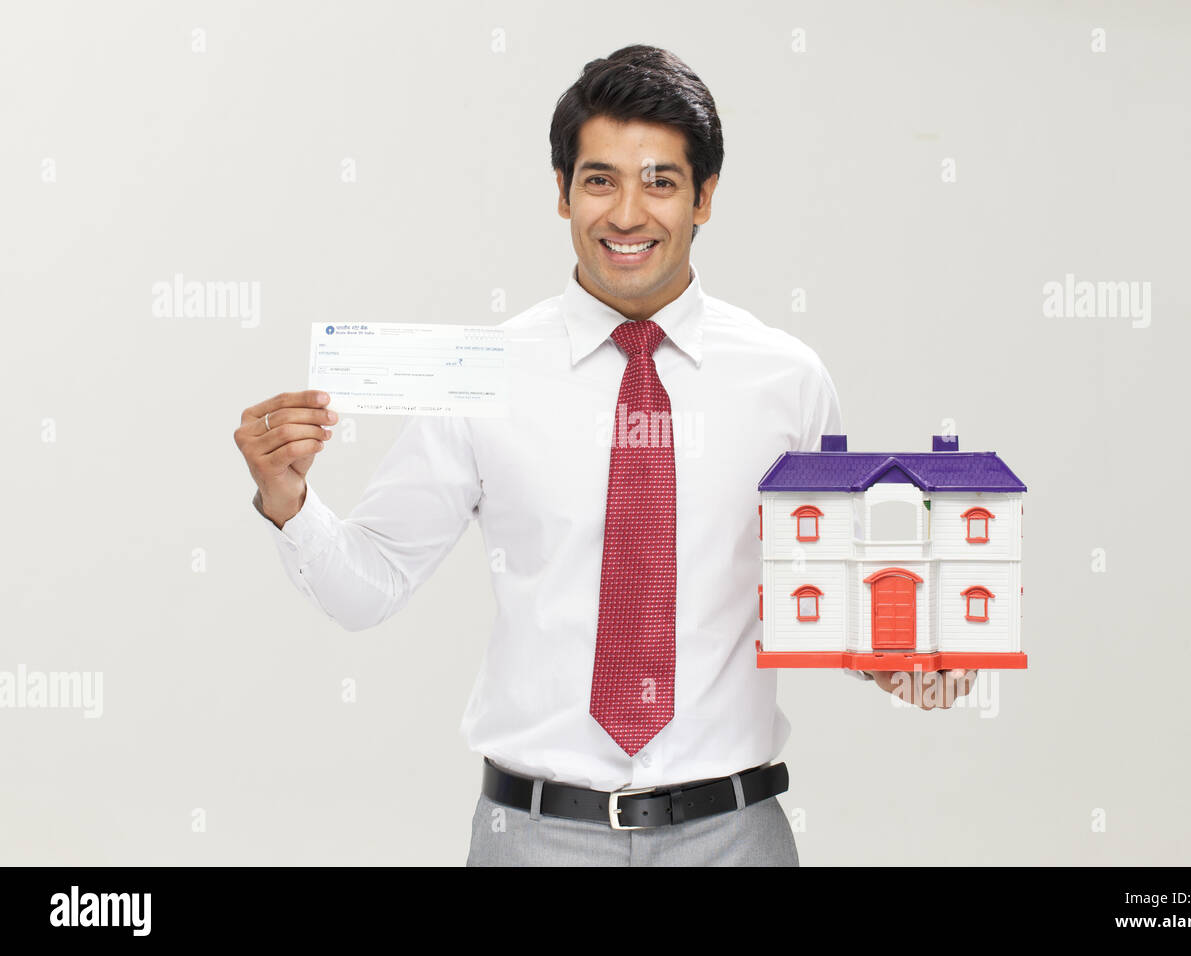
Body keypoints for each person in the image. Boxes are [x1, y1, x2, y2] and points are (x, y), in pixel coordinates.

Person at [232, 44, 976, 867]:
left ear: (706, 198)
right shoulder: (483, 375)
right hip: (533, 838)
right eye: (599, 180)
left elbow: (828, 602)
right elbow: (365, 590)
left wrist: (905, 661)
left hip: (733, 836)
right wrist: (288, 499)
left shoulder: (788, 381)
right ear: (561, 193)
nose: (628, 213)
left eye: (660, 181)